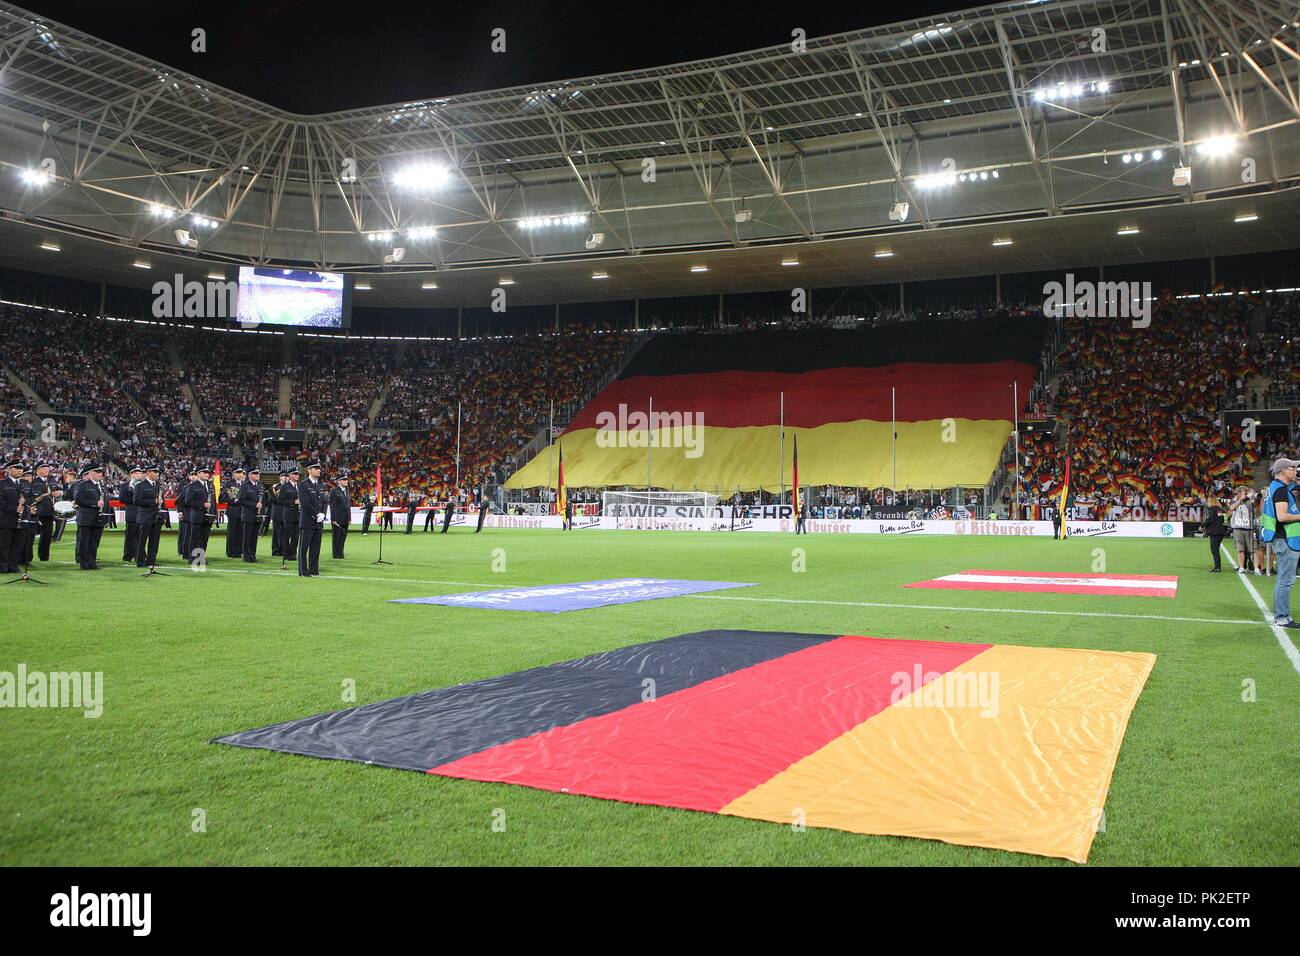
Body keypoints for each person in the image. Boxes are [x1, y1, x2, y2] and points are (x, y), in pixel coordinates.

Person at [1259, 457, 1300, 628]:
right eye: (1292, 468)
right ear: (1283, 471)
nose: (1295, 471)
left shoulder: (1274, 488)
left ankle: (1281, 615)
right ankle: (1282, 617)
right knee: (1286, 580)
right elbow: (1282, 516)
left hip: (1281, 538)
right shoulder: (1281, 490)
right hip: (1286, 539)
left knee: (1283, 579)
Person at [73, 463, 109, 570]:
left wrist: (106, 517)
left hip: (98, 518)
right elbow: (79, 500)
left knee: (94, 542)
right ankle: (83, 562)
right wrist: (95, 503)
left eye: (100, 472)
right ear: (90, 473)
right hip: (86, 518)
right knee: (84, 541)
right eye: (97, 472)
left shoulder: (103, 486)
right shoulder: (82, 485)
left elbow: (106, 502)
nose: (100, 474)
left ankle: (92, 561)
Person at [183, 464, 216, 563]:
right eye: (204, 472)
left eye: (208, 473)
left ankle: (201, 558)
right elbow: (187, 501)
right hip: (197, 516)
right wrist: (202, 504)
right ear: (198, 474)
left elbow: (213, 501)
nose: (207, 474)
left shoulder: (210, 485)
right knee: (195, 539)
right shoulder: (192, 486)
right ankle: (193, 559)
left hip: (208, 517)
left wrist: (214, 514)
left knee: (204, 539)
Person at [298, 460, 325, 576]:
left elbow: (324, 502)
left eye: (319, 468)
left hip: (319, 522)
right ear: (309, 470)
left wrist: (323, 513)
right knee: (304, 549)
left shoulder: (321, 485)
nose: (319, 470)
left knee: (315, 548)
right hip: (307, 521)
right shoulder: (303, 485)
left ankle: (314, 570)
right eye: (315, 468)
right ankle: (303, 571)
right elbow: (305, 503)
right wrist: (316, 514)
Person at [134, 464, 163, 568]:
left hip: (156, 516)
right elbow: (136, 501)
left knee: (154, 541)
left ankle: (151, 560)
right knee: (142, 540)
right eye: (155, 472)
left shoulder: (158, 485)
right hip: (145, 516)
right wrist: (153, 501)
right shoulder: (140, 485)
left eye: (157, 472)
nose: (157, 474)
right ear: (148, 472)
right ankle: (140, 561)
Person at [30, 461, 58, 562]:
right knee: (30, 536)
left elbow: (57, 492)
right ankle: (28, 557)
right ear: (38, 470)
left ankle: (44, 556)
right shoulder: (33, 481)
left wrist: (60, 492)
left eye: (47, 468)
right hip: (36, 513)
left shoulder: (52, 480)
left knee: (47, 536)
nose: (47, 469)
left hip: (49, 512)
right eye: (44, 468)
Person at [0, 459, 21, 574]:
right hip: (5, 519)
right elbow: (1, 502)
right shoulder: (2, 484)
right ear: (9, 469)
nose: (20, 470)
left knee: (17, 545)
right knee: (4, 545)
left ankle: (13, 565)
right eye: (16, 468)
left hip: (20, 520)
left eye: (21, 468)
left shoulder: (24, 483)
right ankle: (3, 566)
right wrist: (14, 509)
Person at [238, 467, 264, 562]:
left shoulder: (260, 486)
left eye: (258, 473)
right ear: (249, 475)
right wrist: (254, 505)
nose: (257, 475)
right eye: (255, 473)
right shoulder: (245, 486)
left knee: (254, 537)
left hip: (257, 515)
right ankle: (246, 555)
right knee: (247, 536)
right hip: (248, 515)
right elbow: (240, 499)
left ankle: (253, 554)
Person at [120, 465, 143, 563]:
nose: (138, 474)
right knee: (130, 536)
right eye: (136, 473)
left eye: (139, 473)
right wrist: (136, 499)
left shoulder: (143, 485)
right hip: (131, 513)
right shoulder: (125, 486)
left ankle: (138, 555)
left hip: (142, 513)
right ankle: (128, 555)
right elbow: (122, 499)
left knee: (140, 536)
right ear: (131, 474)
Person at [278, 466, 300, 563]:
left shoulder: (300, 486)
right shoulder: (285, 487)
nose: (297, 475)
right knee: (287, 535)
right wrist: (293, 502)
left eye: (298, 474)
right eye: (295, 474)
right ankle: (286, 553)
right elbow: (281, 501)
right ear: (290, 475)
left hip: (298, 515)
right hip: (289, 514)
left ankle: (293, 554)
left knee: (296, 536)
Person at [1229, 487, 1254, 573]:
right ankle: (1241, 567)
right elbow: (1232, 507)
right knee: (1240, 549)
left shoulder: (1250, 500)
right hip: (1237, 527)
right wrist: (1240, 500)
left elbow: (1255, 506)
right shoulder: (1234, 500)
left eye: (1246, 493)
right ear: (1239, 494)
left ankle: (1254, 567)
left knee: (1251, 549)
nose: (1245, 495)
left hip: (1249, 527)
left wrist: (1251, 495)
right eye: (1244, 493)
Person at [329, 470, 351, 559]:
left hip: (345, 518)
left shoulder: (347, 491)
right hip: (337, 518)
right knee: (336, 537)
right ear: (339, 481)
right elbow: (332, 506)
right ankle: (336, 554)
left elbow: (348, 505)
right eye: (344, 479)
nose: (346, 481)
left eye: (346, 479)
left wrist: (349, 518)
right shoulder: (334, 491)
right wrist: (333, 519)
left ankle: (341, 553)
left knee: (343, 537)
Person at [224, 466, 245, 558]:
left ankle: (239, 550)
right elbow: (222, 497)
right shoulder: (229, 484)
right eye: (238, 472)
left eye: (241, 472)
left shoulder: (245, 484)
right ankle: (231, 551)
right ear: (234, 474)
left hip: (243, 511)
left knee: (241, 532)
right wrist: (233, 500)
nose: (240, 474)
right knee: (232, 532)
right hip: (233, 510)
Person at [1204, 503, 1227, 572]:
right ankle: (1217, 567)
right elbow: (1222, 519)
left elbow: (1210, 519)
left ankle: (1217, 567)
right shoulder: (1219, 510)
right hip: (1220, 532)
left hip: (1215, 532)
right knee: (1216, 550)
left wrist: (1202, 525)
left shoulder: (1212, 510)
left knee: (1214, 550)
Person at [269, 470, 286, 556]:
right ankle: (275, 550)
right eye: (283, 476)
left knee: (285, 533)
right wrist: (282, 500)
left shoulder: (290, 486)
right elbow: (270, 499)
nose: (285, 477)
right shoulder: (274, 487)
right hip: (277, 513)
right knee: (276, 533)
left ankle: (283, 550)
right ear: (280, 477)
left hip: (286, 513)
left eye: (286, 476)